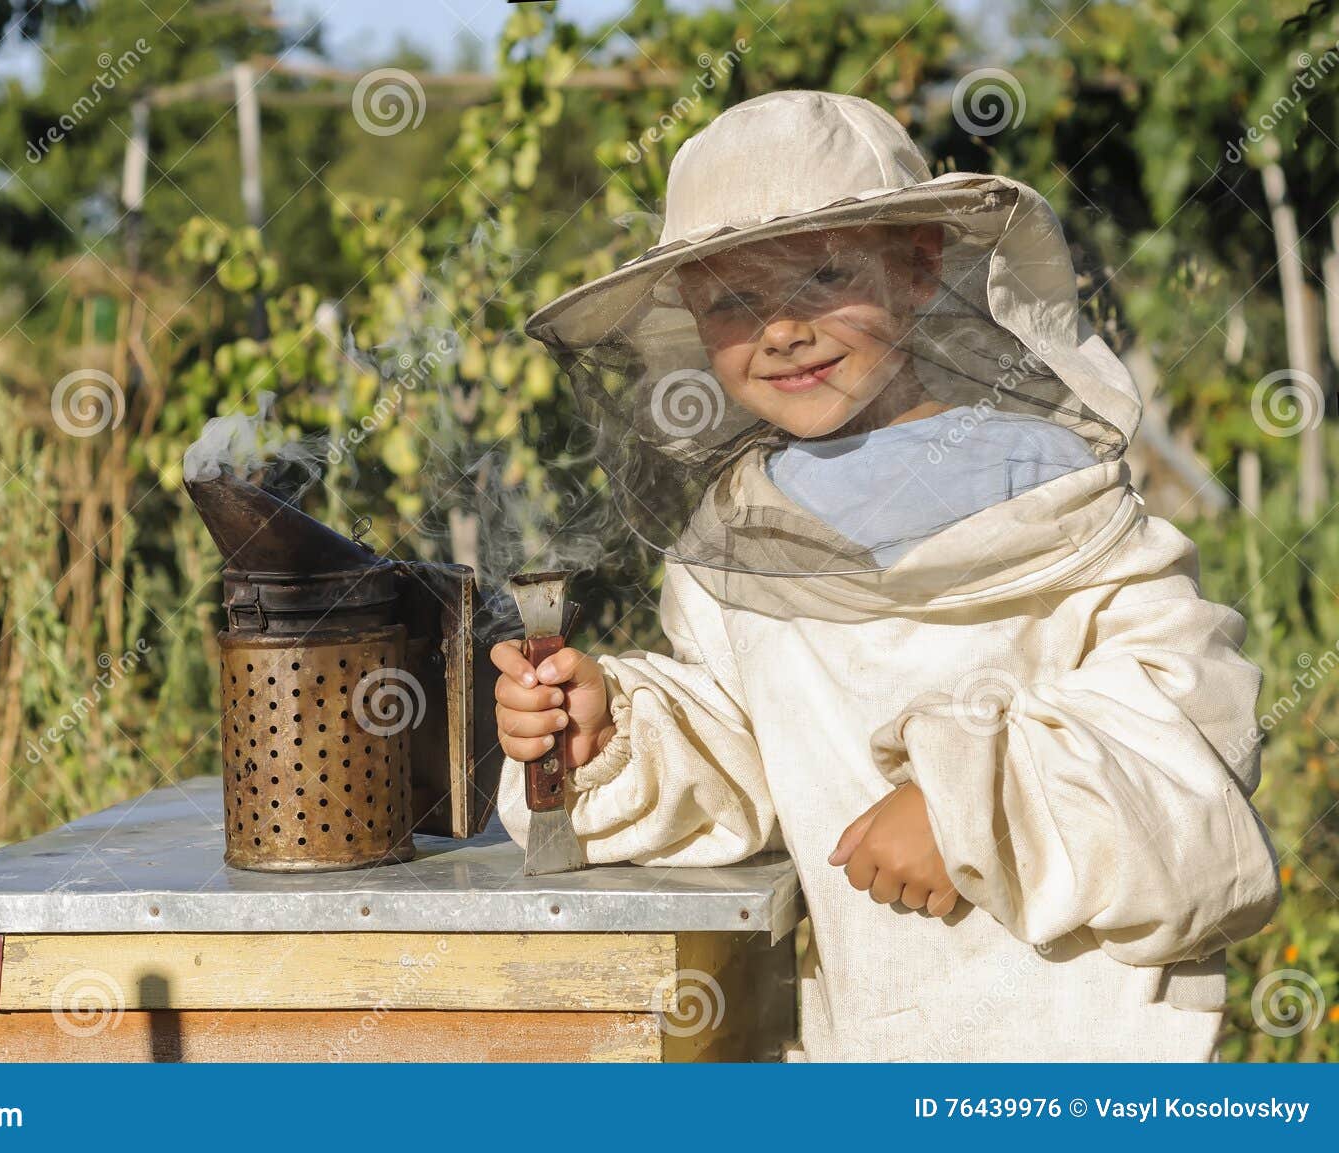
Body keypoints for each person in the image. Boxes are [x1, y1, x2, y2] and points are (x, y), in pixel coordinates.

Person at [491, 90, 1280, 1061]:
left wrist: (971, 805)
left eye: (820, 276)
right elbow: (740, 754)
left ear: (916, 266)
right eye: (734, 300)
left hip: (1081, 1032)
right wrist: (609, 726)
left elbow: (1194, 721)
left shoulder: (1049, 490)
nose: (779, 330)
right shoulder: (734, 537)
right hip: (872, 1035)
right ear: (691, 317)